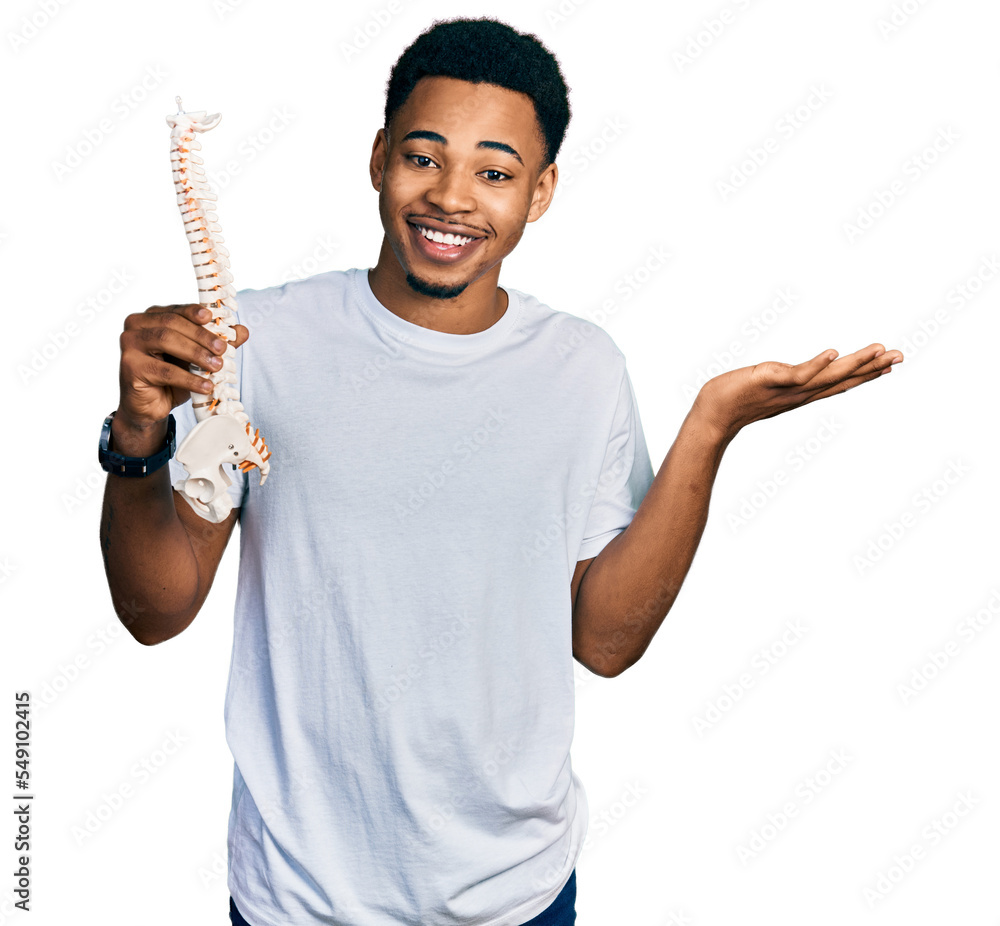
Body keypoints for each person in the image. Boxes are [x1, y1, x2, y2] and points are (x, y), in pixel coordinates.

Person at [98, 17, 902, 926]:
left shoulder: (583, 368)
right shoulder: (253, 343)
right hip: (297, 897)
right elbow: (154, 611)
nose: (451, 198)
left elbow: (604, 641)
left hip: (516, 895)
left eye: (495, 172)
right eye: (422, 157)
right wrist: (136, 439)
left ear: (542, 189)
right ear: (377, 160)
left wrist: (711, 428)